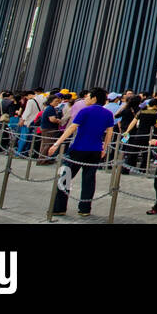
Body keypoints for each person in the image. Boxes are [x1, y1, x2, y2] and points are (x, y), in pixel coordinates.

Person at [48, 87, 116, 217]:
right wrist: (105, 148)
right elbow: (109, 133)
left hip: (78, 149)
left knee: (66, 177)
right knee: (89, 180)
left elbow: (72, 128)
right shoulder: (108, 114)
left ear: (95, 98)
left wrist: (56, 144)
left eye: (88, 96)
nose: (86, 98)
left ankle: (59, 208)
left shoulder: (85, 111)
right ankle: (85, 209)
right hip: (95, 150)